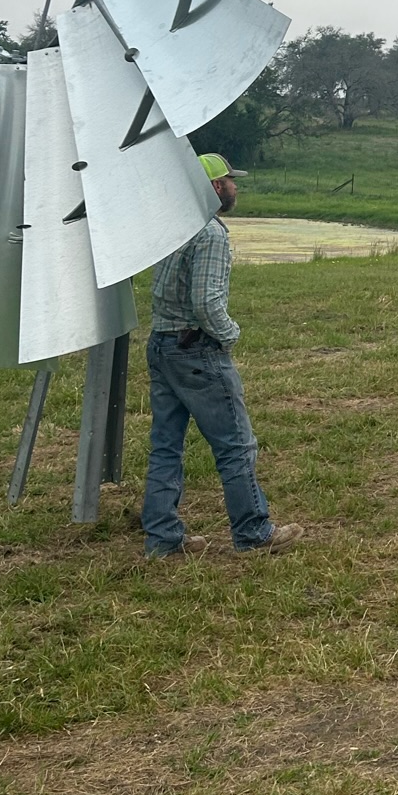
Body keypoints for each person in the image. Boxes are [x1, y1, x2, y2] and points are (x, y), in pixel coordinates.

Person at [141, 152, 303, 558]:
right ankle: (253, 531)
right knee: (235, 444)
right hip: (197, 350)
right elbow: (206, 302)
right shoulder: (210, 234)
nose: (236, 186)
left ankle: (162, 540)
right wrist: (229, 335)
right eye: (231, 180)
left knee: (166, 446)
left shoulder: (172, 228)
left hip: (162, 342)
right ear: (216, 187)